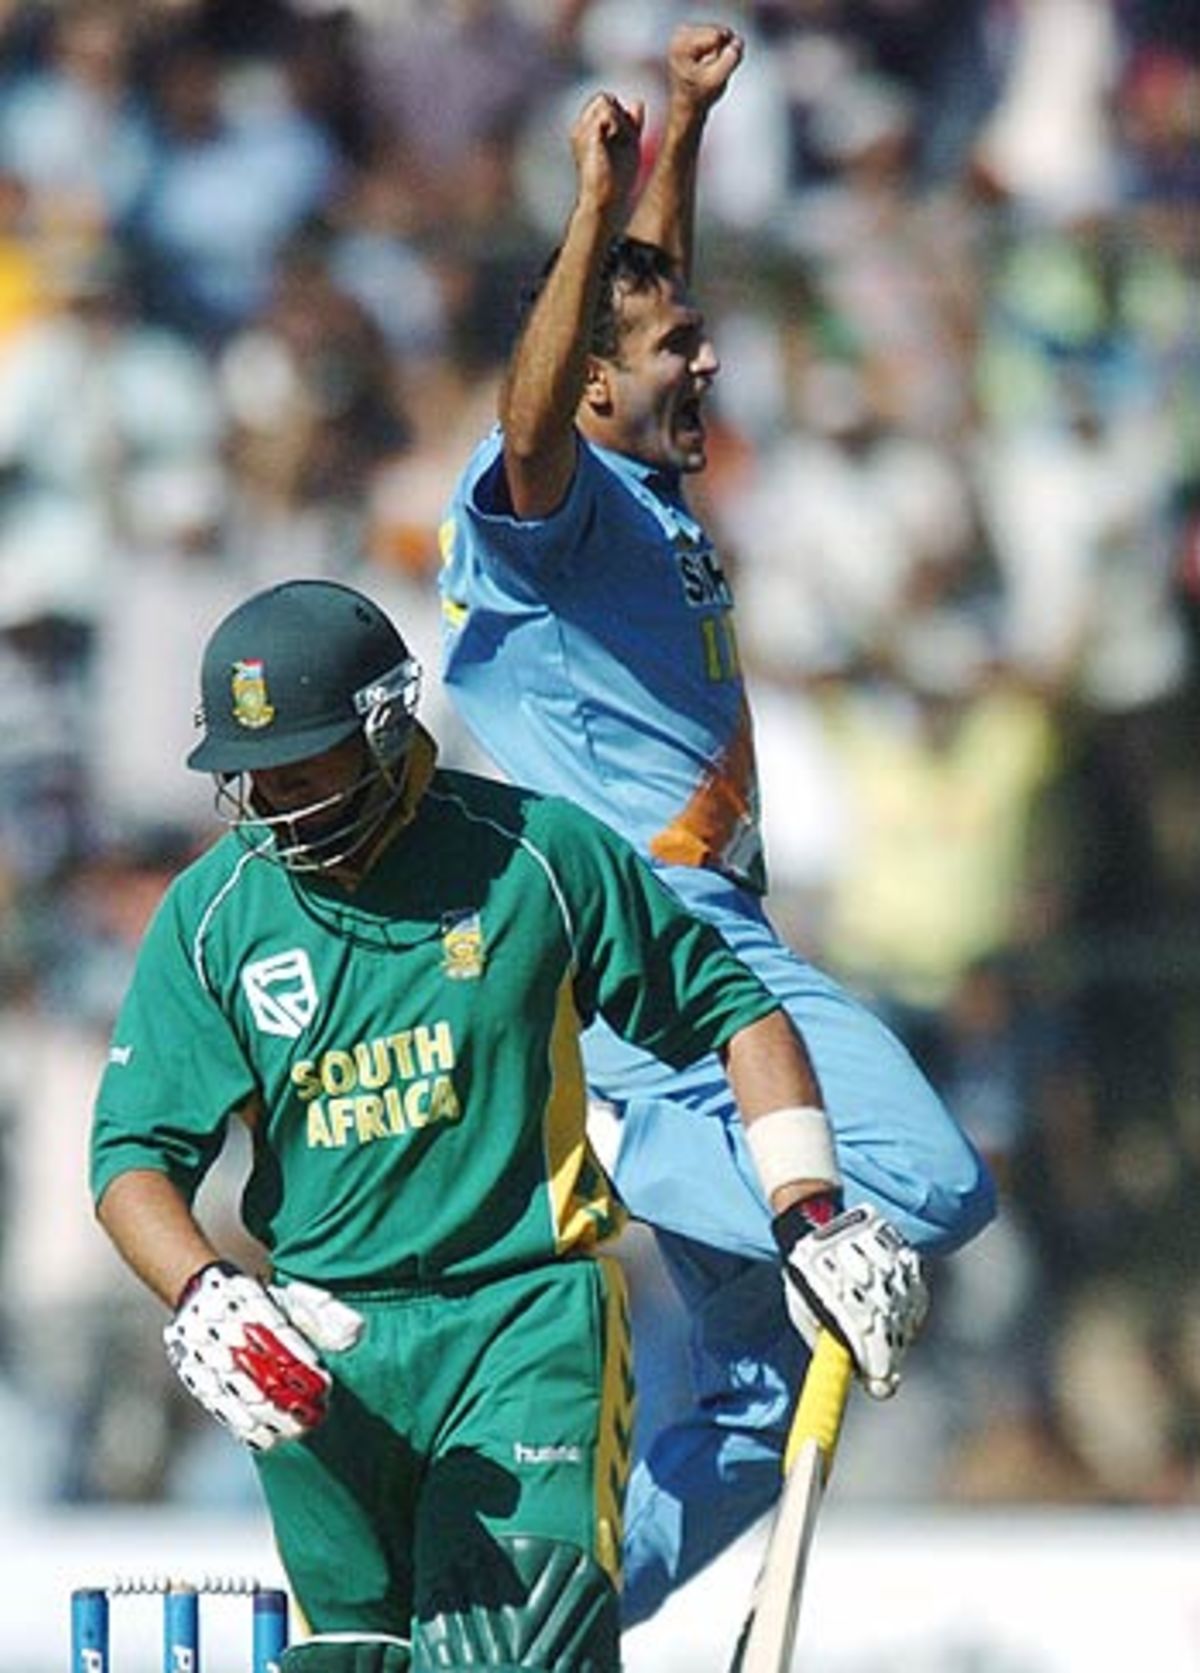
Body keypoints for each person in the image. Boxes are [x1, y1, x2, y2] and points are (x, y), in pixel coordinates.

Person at [90, 577, 927, 1673]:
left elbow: (738, 1009)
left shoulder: (536, 855)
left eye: (306, 771)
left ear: (388, 728)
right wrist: (203, 1289)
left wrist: (809, 1209)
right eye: (256, 780)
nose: (279, 807)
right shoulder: (212, 916)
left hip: (522, 1316)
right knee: (352, 1656)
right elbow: (132, 1157)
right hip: (321, 1348)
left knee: (506, 1645)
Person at [438, 20, 997, 1626]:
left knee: (754, 1413)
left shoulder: (647, 490)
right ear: (599, 382)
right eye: (678, 354)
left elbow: (636, 310)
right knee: (931, 1184)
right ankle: (616, 1148)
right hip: (657, 956)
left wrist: (678, 130)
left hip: (716, 937)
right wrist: (583, 210)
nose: (710, 363)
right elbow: (548, 408)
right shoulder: (547, 509)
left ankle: (539, 1645)